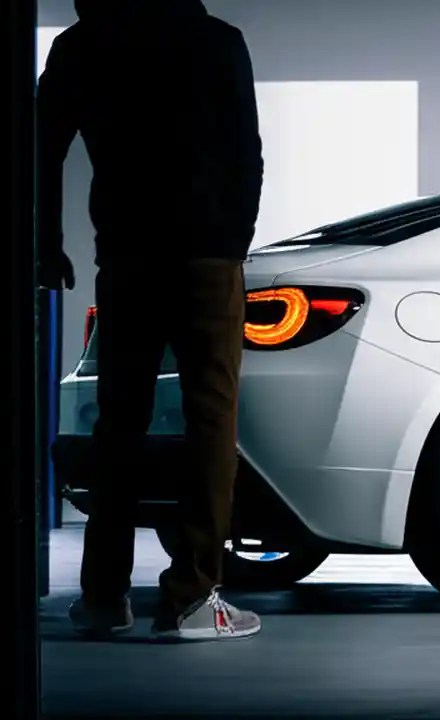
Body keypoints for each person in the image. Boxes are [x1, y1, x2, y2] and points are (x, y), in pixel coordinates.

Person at [36, 0, 264, 640]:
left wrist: (46, 244)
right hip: (208, 257)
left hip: (129, 257)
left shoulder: (86, 44)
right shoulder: (218, 41)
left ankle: (106, 598)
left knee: (119, 425)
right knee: (211, 420)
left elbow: (41, 151)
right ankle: (193, 599)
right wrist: (232, 243)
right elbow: (247, 153)